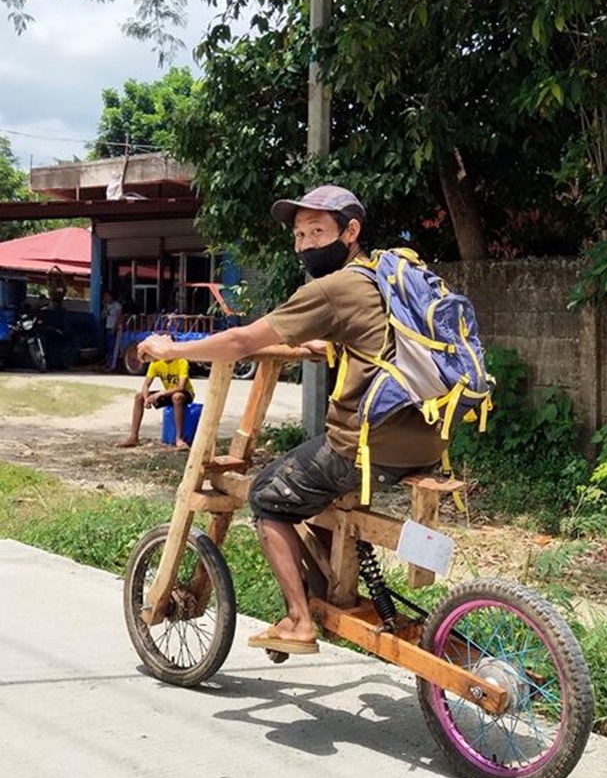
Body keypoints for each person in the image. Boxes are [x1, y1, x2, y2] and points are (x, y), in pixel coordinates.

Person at [137, 185, 445, 654]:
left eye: (317, 232)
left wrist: (171, 349)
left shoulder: (333, 288)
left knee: (267, 495)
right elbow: (374, 340)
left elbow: (241, 341)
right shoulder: (381, 275)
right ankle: (322, 594)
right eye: (299, 235)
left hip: (366, 443)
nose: (304, 244)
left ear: (351, 231)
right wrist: (326, 346)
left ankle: (299, 621)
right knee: (307, 478)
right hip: (426, 439)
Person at [119, 356, 195, 450]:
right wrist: (147, 398)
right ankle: (133, 437)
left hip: (185, 393)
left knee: (177, 397)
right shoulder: (156, 363)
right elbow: (146, 385)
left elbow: (181, 387)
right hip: (168, 393)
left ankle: (179, 439)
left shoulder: (181, 361)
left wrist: (161, 393)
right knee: (139, 397)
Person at [102, 290, 123, 370]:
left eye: (107, 296)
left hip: (114, 327)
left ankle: (113, 364)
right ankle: (108, 362)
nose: (106, 298)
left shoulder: (117, 305)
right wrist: (105, 307)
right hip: (108, 326)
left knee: (113, 346)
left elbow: (118, 317)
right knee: (108, 346)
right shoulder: (108, 306)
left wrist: (114, 328)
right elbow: (103, 316)